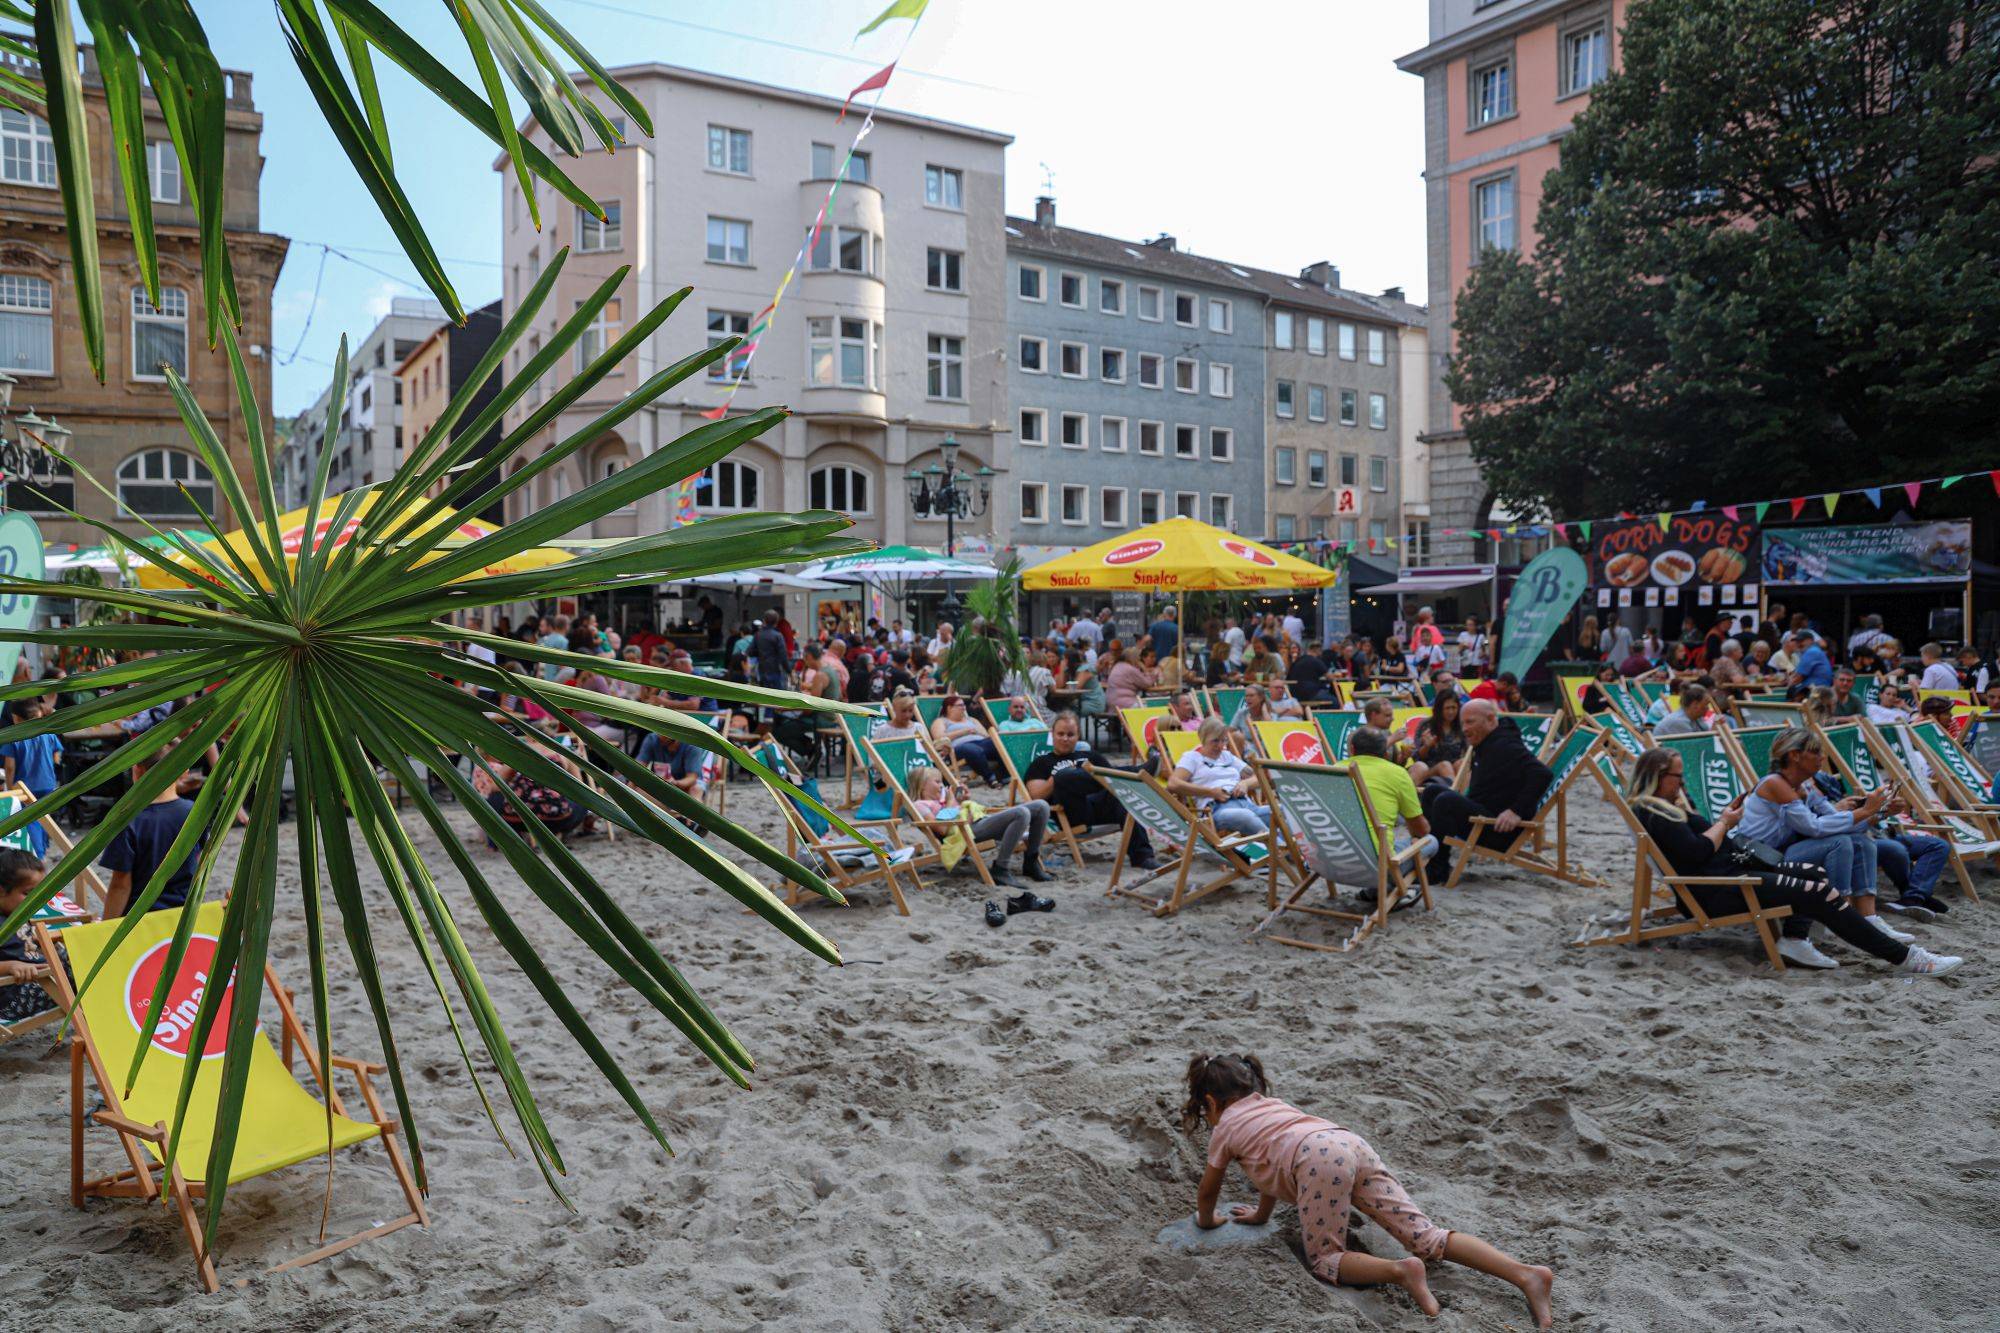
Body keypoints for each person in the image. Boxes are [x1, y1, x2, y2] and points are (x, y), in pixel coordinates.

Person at [1184, 1052, 1556, 1327]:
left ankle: (1401, 1271)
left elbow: (1207, 1191)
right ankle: (1526, 1274)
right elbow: (1274, 1166)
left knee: (1325, 1259)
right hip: (1345, 1143)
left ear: (1212, 1103)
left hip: (1316, 1160)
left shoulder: (1227, 1127)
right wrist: (1261, 1215)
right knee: (1426, 1235)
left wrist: (1208, 1221)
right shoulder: (1273, 1106)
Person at [1628, 748, 1959, 974]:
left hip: (1735, 872)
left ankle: (1796, 940)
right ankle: (1908, 959)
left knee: (1814, 873)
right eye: (1677, 776)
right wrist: (1725, 823)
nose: (1683, 782)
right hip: (1721, 889)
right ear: (1658, 775)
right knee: (1819, 893)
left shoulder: (1662, 808)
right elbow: (1698, 851)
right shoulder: (1655, 812)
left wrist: (1723, 821)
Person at [1737, 728, 1905, 963]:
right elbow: (1814, 828)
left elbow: (1835, 822)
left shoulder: (1804, 786)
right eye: (1816, 752)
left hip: (1784, 854)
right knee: (1840, 842)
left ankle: (1868, 918)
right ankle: (1838, 911)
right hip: (1762, 860)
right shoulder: (1774, 784)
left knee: (1860, 840)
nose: (1822, 758)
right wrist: (1866, 810)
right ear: (1795, 755)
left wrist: (1879, 812)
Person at [1418, 701, 1553, 883]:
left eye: (1470, 722)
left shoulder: (1505, 746)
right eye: (1463, 723)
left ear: (1490, 720)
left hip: (1497, 830)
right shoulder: (1489, 740)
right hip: (1483, 818)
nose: (1464, 729)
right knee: (1431, 791)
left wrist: (1516, 811)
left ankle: (1437, 870)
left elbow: (1542, 774)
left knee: (1446, 800)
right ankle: (1433, 858)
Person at [1022, 713, 1155, 869]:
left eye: (1070, 734)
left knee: (1122, 794)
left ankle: (1142, 857)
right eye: (1060, 734)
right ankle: (1136, 772)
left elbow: (1113, 781)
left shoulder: (1090, 756)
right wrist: (1056, 777)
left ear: (1078, 736)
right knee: (1064, 776)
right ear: (1053, 735)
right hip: (1072, 812)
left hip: (1100, 807)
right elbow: (1035, 796)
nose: (1065, 738)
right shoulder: (1042, 762)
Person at [906, 765, 1054, 891]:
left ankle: (1031, 862)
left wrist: (963, 801)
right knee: (1021, 813)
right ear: (922, 784)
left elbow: (964, 812)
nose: (941, 785)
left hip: (976, 824)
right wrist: (952, 803)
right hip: (964, 833)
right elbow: (943, 829)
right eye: (937, 781)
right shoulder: (920, 805)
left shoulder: (943, 801)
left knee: (1041, 806)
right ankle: (1000, 868)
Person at [100, 748, 203, 918]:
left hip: (139, 920)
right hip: (182, 916)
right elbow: (197, 863)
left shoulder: (128, 819)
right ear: (184, 772)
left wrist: (106, 928)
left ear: (138, 770)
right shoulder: (195, 812)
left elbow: (120, 884)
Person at [1346, 727, 1437, 909]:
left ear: (1353, 750)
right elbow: (1421, 829)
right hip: (1374, 866)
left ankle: (1376, 890)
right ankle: (1391, 888)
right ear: (1386, 753)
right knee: (1430, 841)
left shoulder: (1331, 770)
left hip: (1328, 860)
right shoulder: (1396, 773)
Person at [1169, 717, 1268, 836]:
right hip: (1217, 810)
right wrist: (1211, 792)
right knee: (1245, 816)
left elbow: (1258, 778)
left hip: (1246, 804)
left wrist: (1245, 784)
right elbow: (1173, 784)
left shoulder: (1227, 756)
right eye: (1215, 741)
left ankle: (1287, 849)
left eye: (1224, 740)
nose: (1220, 746)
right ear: (1203, 738)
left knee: (1283, 810)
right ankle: (1279, 849)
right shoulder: (1192, 758)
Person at [0, 848, 67, 1025]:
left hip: (45, 979)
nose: (36, 899)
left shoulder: (17, 913)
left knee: (82, 949)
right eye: (28, 893)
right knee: (83, 958)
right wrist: (10, 966)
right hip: (14, 998)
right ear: (1, 891)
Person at [0, 699, 62, 856]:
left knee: (30, 820)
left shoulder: (13, 737)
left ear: (15, 718)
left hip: (25, 787)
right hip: (47, 782)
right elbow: (57, 754)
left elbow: (9, 767)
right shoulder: (47, 732)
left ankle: (38, 853)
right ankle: (44, 844)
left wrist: (9, 786)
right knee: (44, 815)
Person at [931, 695, 1005, 787]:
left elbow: (986, 735)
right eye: (960, 705)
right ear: (949, 708)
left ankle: (1003, 775)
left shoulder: (972, 720)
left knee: (1002, 743)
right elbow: (939, 737)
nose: (964, 708)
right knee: (972, 749)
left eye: (964, 705)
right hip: (958, 748)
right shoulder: (941, 721)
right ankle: (990, 778)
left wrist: (977, 732)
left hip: (981, 743)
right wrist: (964, 731)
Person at [1409, 692, 1467, 786]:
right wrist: (1427, 746)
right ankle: (1454, 795)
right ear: (1439, 709)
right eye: (1447, 708)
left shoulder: (1462, 725)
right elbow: (1416, 757)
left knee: (1461, 763)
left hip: (1454, 768)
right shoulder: (1427, 725)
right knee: (1445, 765)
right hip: (1430, 769)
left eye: (1454, 708)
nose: (1451, 712)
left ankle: (1464, 796)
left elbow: (1468, 752)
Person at [636, 733, 711, 801]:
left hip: (686, 782)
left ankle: (695, 814)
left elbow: (692, 778)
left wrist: (676, 783)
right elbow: (637, 768)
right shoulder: (653, 739)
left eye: (664, 732)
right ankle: (673, 814)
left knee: (696, 789)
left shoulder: (691, 745)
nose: (660, 735)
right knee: (638, 787)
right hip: (662, 781)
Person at [1105, 646, 1158, 715]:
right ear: (1133, 657)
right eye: (1138, 656)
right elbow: (1147, 683)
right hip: (1125, 704)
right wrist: (1146, 670)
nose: (1139, 658)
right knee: (1153, 708)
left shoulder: (1118, 665)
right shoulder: (1130, 669)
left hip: (1112, 703)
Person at [1649, 683, 1715, 737]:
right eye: (1706, 704)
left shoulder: (1697, 718)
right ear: (1695, 705)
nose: (1708, 708)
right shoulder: (1678, 722)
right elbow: (1696, 747)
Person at [1406, 606, 1446, 674]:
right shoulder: (1433, 629)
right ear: (1427, 616)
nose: (1433, 617)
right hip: (1433, 669)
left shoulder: (1416, 629)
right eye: (1432, 615)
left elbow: (1412, 649)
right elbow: (1440, 646)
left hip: (1420, 669)